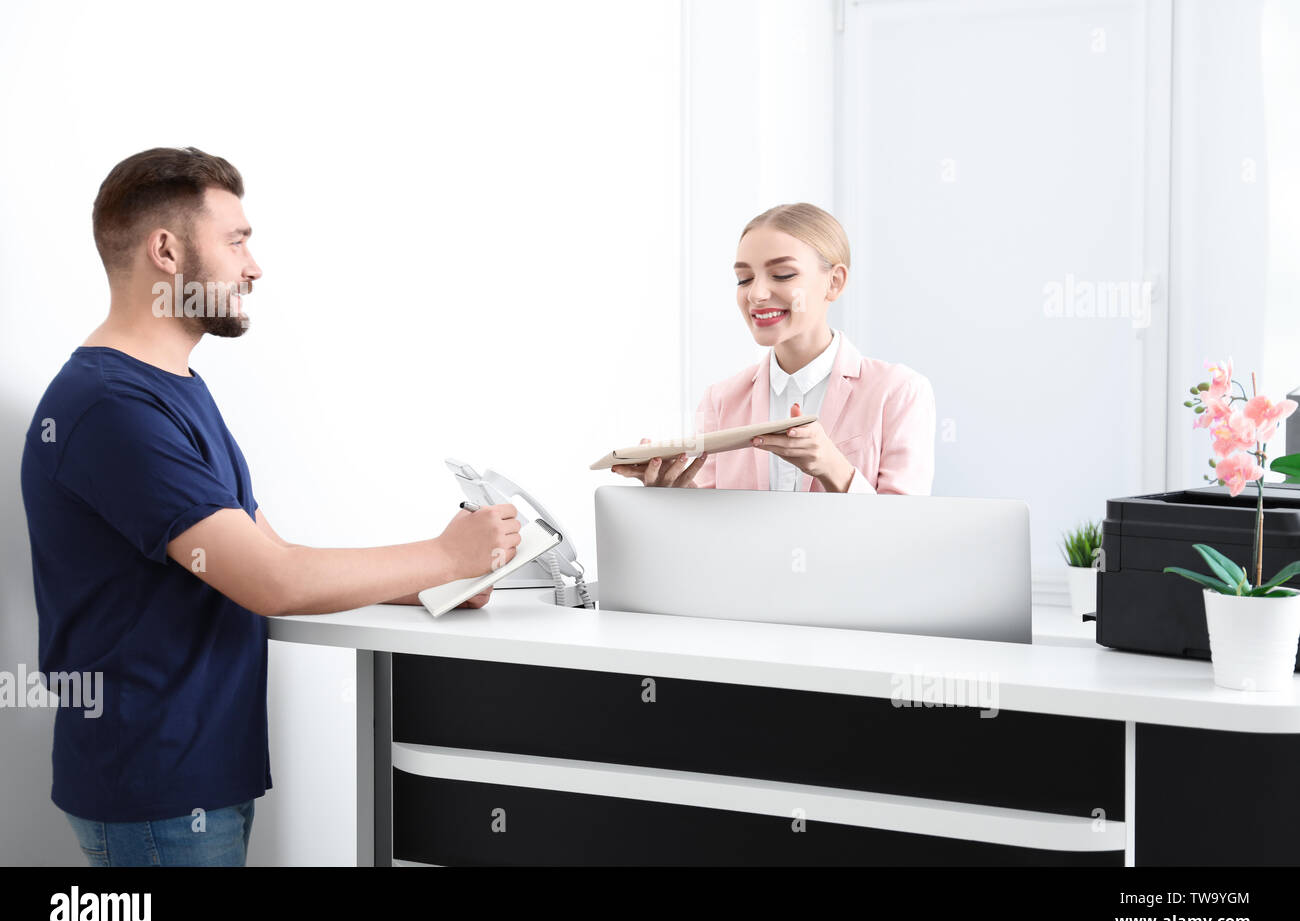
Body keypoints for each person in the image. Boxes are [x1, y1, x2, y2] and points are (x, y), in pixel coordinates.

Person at [19, 147, 520, 866]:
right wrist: (448, 554)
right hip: (159, 792)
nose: (254, 267)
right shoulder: (112, 407)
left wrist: (435, 581)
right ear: (166, 251)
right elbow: (269, 580)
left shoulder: (169, 387)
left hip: (191, 780)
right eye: (236, 241)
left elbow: (266, 552)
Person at [612, 202, 935, 493]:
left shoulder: (898, 392)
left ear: (834, 282)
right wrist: (673, 496)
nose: (756, 294)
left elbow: (905, 535)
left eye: (782, 274)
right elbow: (712, 532)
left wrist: (833, 469)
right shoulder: (721, 400)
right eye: (744, 279)